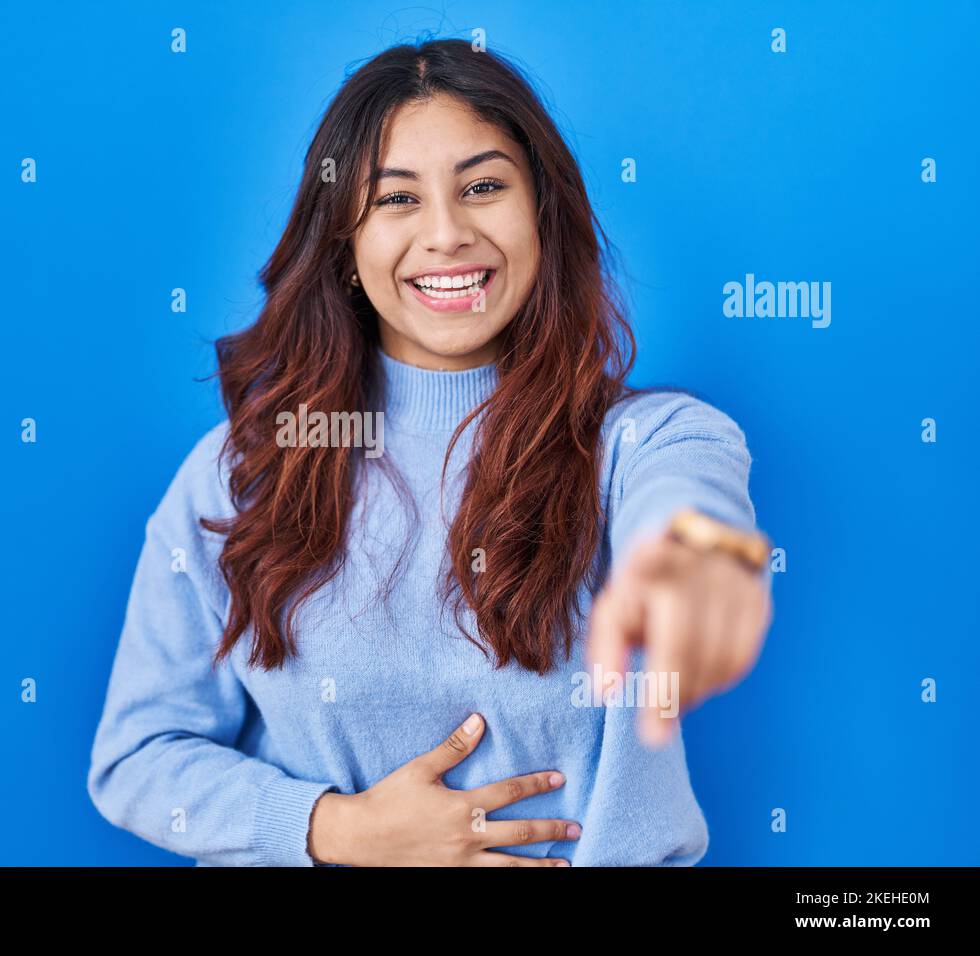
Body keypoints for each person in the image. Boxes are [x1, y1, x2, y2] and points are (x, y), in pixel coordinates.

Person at [87, 38, 773, 867]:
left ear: (543, 215)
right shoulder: (246, 468)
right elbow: (136, 758)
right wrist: (342, 830)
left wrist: (695, 564)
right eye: (397, 199)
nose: (447, 234)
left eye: (483, 187)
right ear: (343, 241)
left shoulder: (647, 440)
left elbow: (689, 513)